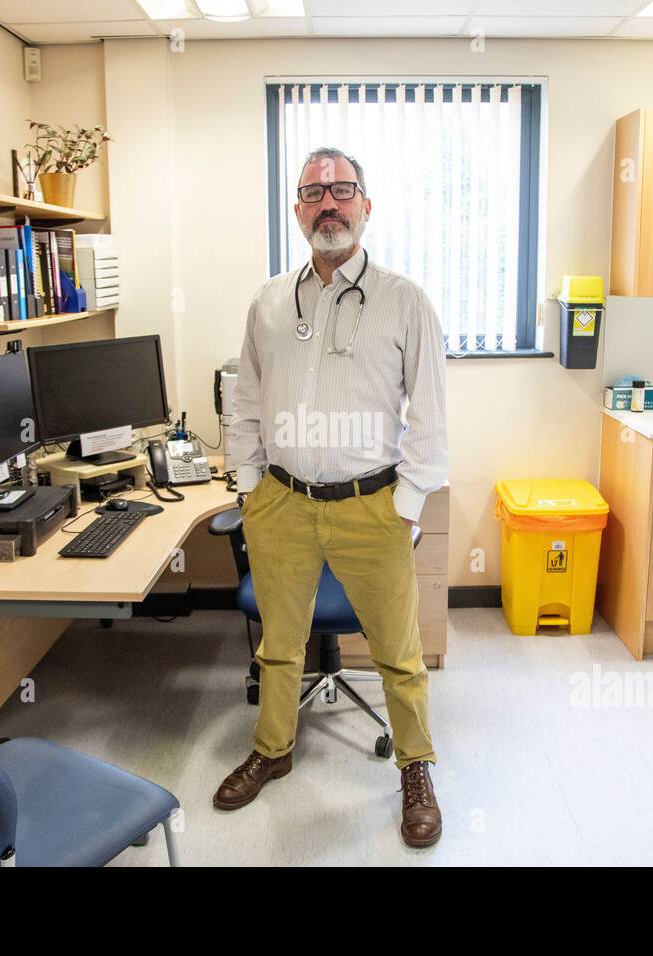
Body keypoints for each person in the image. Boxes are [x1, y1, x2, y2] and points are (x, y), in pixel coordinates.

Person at [216, 146, 449, 848]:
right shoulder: (268, 301)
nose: (329, 203)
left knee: (398, 655)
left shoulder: (404, 300)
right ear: (297, 211)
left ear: (366, 206)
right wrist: (250, 485)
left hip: (370, 505)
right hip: (282, 503)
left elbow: (431, 416)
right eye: (314, 192)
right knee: (279, 647)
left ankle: (415, 767)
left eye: (343, 190)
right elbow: (245, 398)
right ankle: (274, 747)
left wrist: (405, 504)